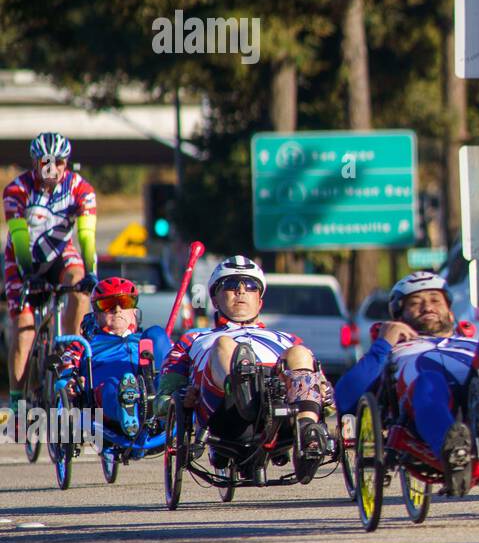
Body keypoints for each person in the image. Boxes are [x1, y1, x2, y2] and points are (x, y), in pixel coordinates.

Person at [334, 271, 479, 496]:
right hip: (427, 404)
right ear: (399, 316)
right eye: (415, 303)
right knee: (429, 381)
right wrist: (384, 343)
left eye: (435, 300)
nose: (427, 307)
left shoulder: (470, 340)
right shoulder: (392, 349)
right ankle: (453, 448)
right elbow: (346, 398)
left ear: (451, 314)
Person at [157, 255, 332, 468]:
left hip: (281, 408)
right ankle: (246, 395)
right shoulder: (193, 338)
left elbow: (325, 396)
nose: (241, 291)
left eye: (250, 286)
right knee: (224, 344)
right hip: (225, 411)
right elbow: (163, 400)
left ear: (259, 300)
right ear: (215, 299)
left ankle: (307, 433)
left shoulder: (286, 338)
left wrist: (325, 395)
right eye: (230, 285)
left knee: (299, 352)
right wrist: (179, 399)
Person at [3, 133, 98, 415]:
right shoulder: (17, 190)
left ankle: (71, 353)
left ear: (67, 162)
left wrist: (90, 272)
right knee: (24, 331)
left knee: (79, 284)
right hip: (23, 258)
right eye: (46, 162)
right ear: (35, 162)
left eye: (59, 162)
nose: (52, 168)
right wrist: (28, 272)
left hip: (60, 254)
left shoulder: (82, 189)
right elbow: (19, 236)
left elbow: (86, 235)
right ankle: (18, 402)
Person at [54, 277, 172, 439]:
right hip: (106, 393)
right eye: (108, 304)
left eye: (124, 303)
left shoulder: (145, 340)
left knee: (157, 334)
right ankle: (126, 411)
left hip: (148, 388)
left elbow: (175, 355)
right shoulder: (86, 343)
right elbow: (67, 361)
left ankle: (164, 408)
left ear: (134, 311)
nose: (117, 310)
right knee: (111, 387)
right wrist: (69, 381)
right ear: (96, 314)